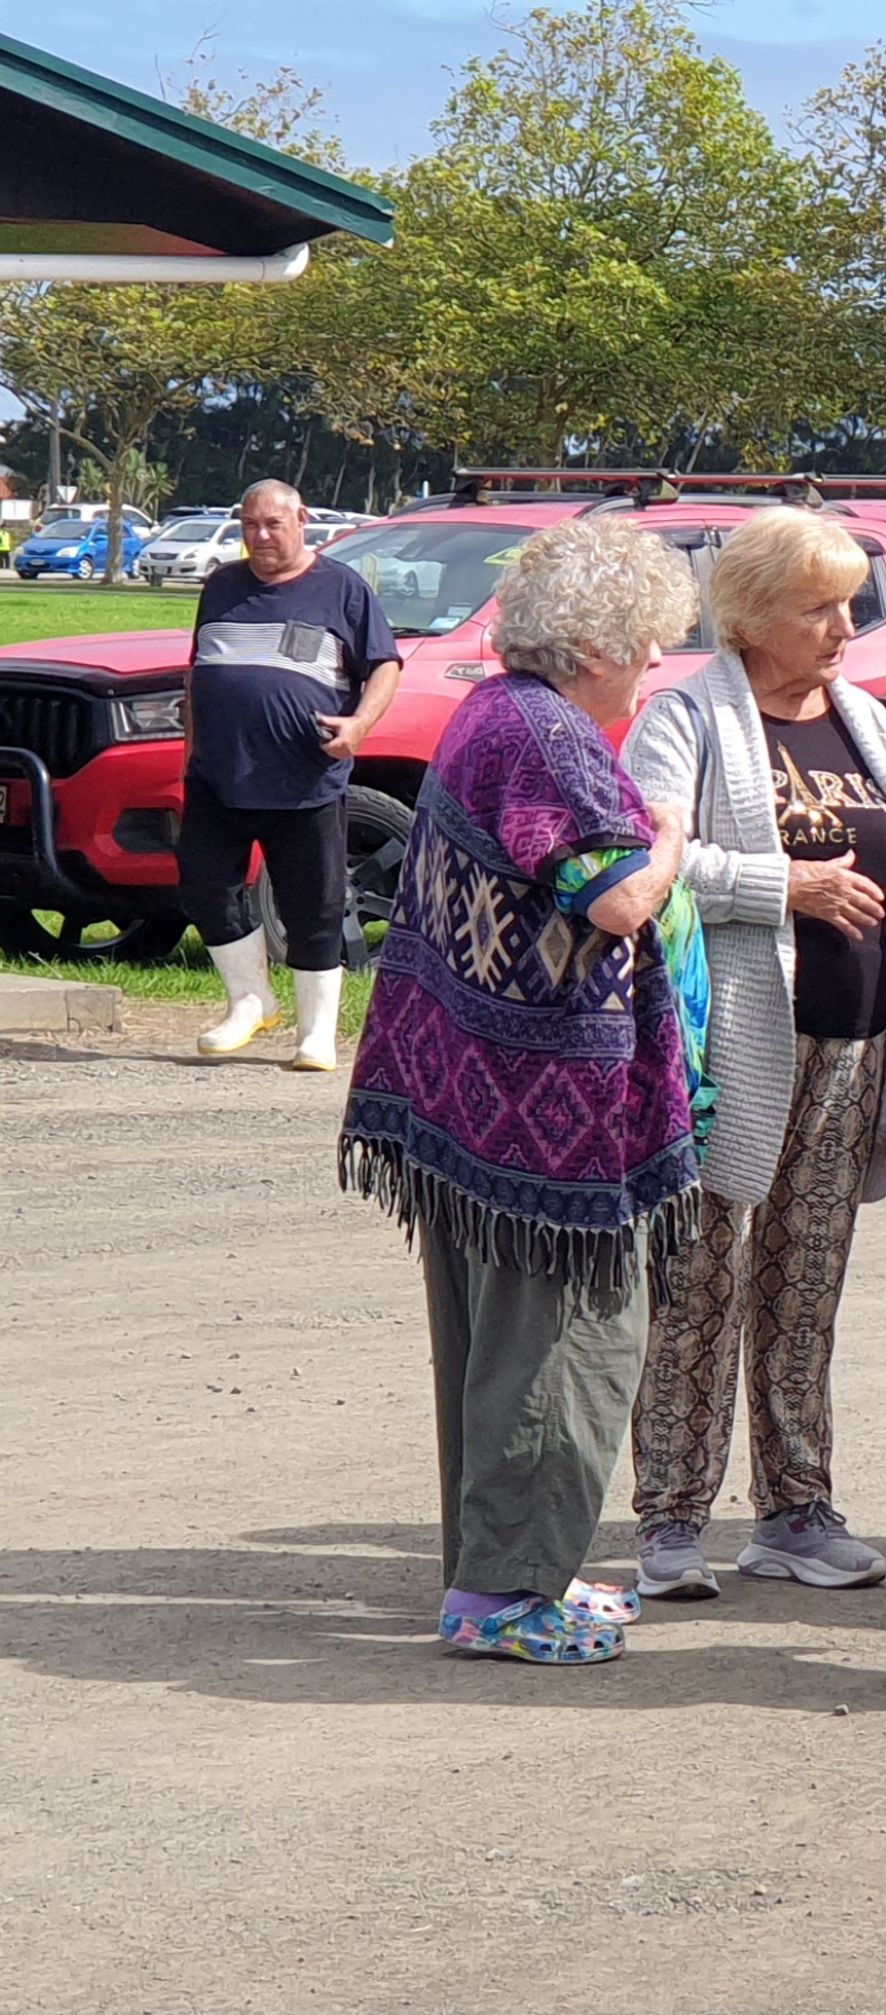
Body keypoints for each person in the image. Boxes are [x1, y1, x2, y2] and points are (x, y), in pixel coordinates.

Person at [336, 517, 704, 1666]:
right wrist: (673, 834)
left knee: (497, 1348)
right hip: (545, 1126)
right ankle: (503, 1597)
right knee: (566, 1348)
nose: (658, 663)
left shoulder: (494, 711)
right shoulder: (549, 735)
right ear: (592, 645)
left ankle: (505, 1568)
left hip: (471, 1099)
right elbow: (616, 898)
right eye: (647, 642)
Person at [620, 509, 886, 1601]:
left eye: (850, 603)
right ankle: (671, 1515)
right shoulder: (687, 717)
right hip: (729, 1050)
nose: (845, 627)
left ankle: (794, 1509)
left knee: (805, 1283)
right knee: (700, 1280)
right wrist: (789, 886)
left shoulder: (865, 719)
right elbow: (650, 859)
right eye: (820, 607)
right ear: (753, 613)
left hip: (851, 1047)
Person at [184, 479, 403, 1069]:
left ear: (301, 520)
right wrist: (191, 751)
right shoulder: (221, 586)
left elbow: (384, 665)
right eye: (249, 525)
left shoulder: (343, 588)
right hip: (218, 775)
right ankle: (250, 1001)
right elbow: (200, 668)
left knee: (315, 906)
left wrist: (359, 725)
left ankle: (315, 1033)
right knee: (205, 888)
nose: (259, 536)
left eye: (272, 525)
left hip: (304, 779)